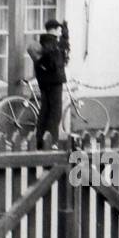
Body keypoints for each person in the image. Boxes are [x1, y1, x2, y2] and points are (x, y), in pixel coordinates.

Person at [32, 20, 67, 148]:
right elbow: (54, 63)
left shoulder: (43, 41)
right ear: (54, 29)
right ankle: (51, 142)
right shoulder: (52, 43)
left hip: (44, 81)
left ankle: (40, 140)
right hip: (54, 81)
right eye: (59, 29)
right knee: (55, 112)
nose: (60, 31)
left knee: (45, 110)